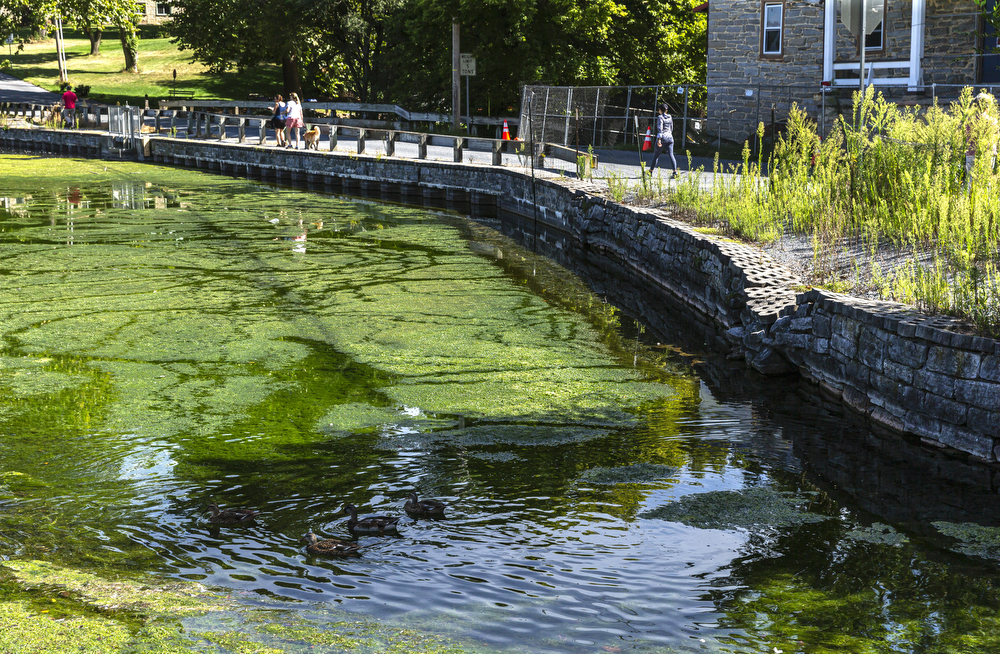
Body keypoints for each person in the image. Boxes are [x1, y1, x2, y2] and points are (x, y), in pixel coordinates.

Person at [649, 103, 678, 178]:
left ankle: (650, 172)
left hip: (663, 137)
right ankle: (675, 172)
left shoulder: (660, 117)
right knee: (671, 155)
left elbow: (660, 129)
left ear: (660, 110)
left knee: (656, 155)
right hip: (670, 137)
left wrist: (659, 139)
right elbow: (671, 128)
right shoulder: (670, 117)